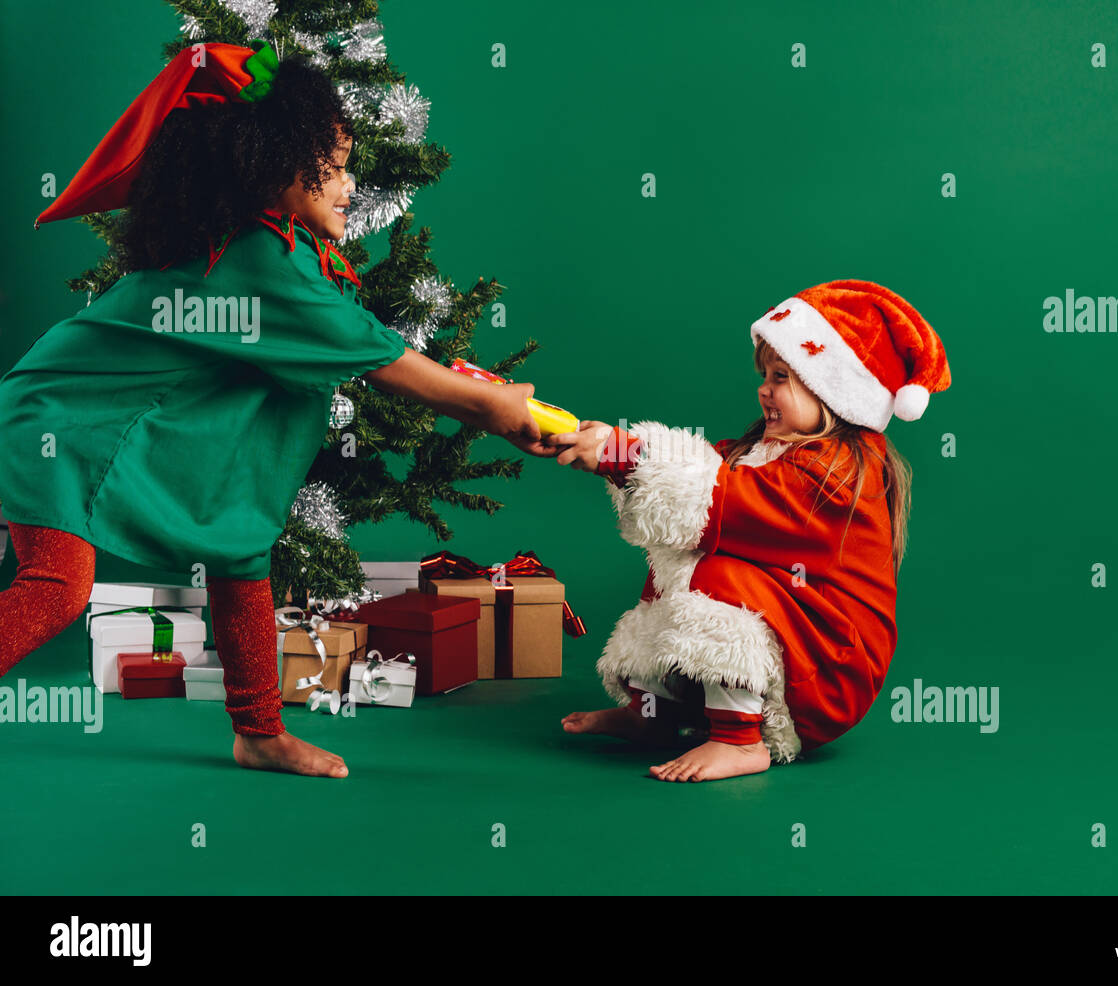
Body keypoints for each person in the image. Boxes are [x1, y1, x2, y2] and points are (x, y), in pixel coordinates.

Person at [0, 41, 555, 778]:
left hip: (85, 417)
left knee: (240, 549)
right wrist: (490, 408)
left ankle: (259, 731)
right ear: (273, 161)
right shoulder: (252, 259)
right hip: (56, 426)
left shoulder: (276, 244)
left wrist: (482, 393)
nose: (350, 184)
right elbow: (376, 357)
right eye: (334, 163)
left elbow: (352, 335)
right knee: (59, 588)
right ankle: (259, 729)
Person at [554, 280, 951, 781]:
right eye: (764, 374)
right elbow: (698, 467)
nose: (764, 388)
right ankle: (654, 715)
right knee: (674, 561)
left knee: (716, 575)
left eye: (782, 375)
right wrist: (613, 449)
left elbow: (726, 499)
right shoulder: (770, 447)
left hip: (831, 663)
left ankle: (740, 742)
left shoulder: (841, 473)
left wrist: (623, 455)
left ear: (833, 390)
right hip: (797, 630)